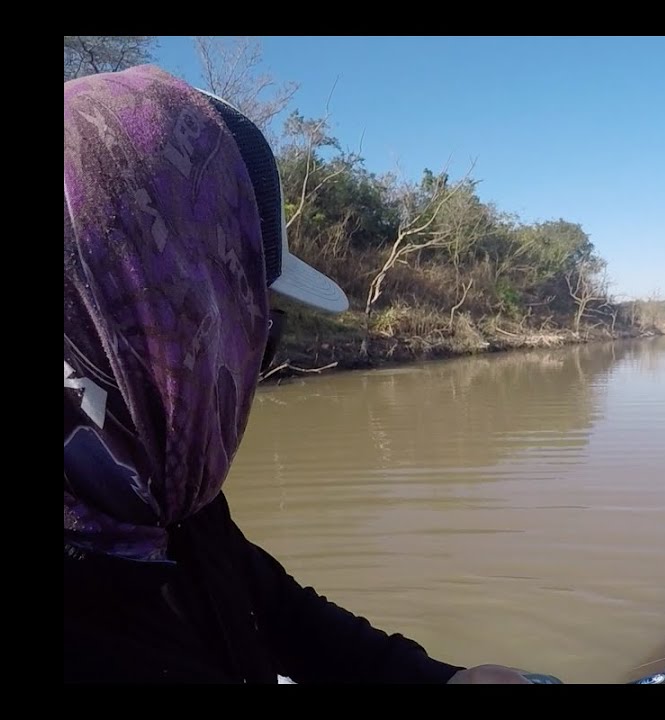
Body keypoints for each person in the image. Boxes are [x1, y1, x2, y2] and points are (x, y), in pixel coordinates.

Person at [64, 64, 544, 684]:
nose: (251, 378)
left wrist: (439, 680)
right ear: (173, 332)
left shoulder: (159, 486)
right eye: (256, 337)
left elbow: (268, 603)